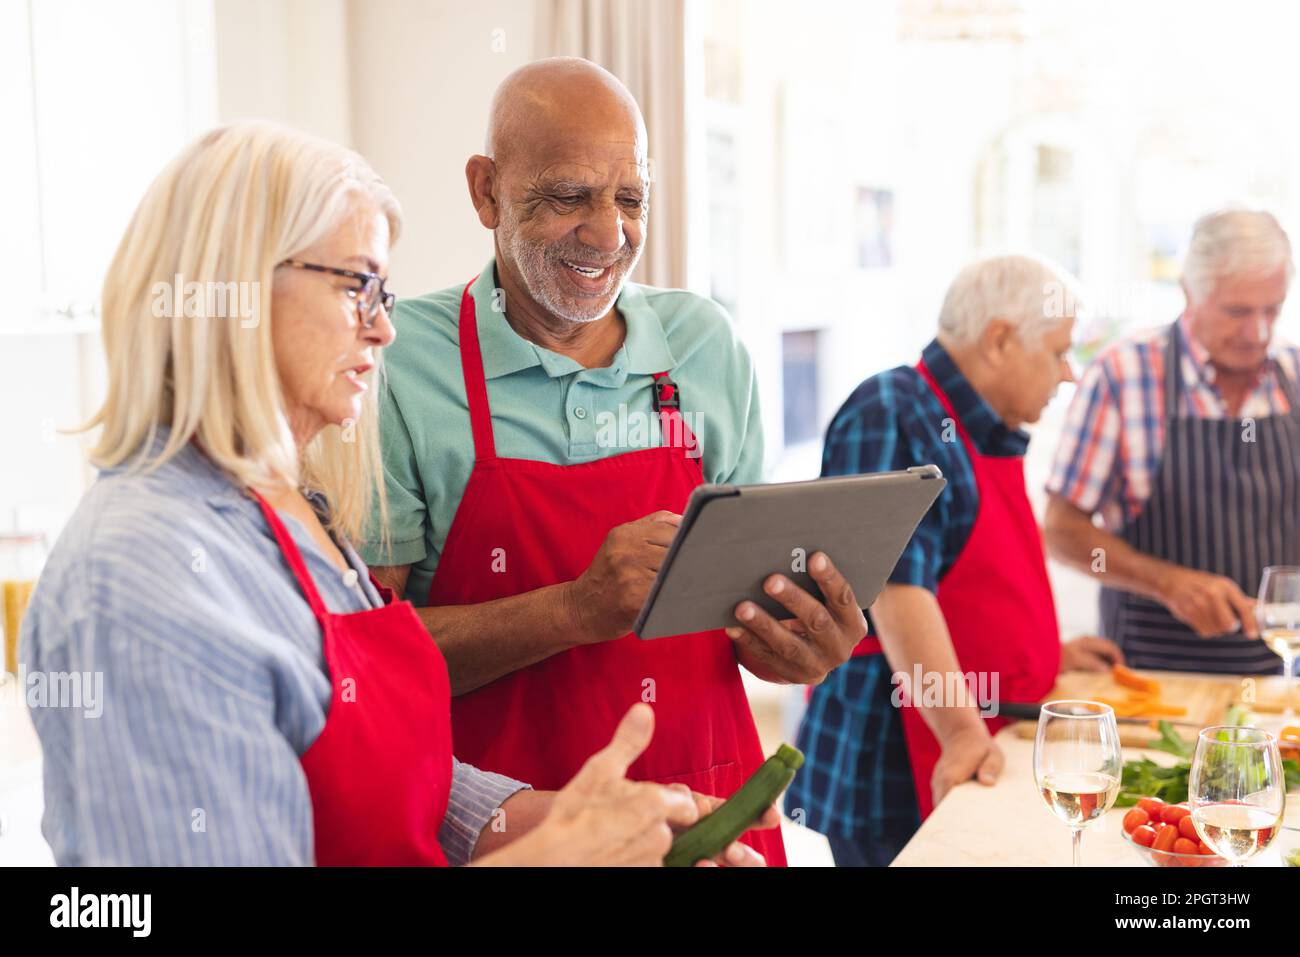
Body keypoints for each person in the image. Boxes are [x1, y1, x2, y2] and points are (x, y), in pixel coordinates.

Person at [20, 120, 775, 866]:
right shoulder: (139, 572)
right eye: (358, 286)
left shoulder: (293, 517)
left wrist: (595, 820)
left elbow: (393, 771)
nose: (384, 331)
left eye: (385, 291)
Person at [362, 57, 868, 869]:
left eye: (630, 198)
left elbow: (743, 625)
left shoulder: (706, 346)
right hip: (512, 837)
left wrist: (798, 643)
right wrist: (574, 609)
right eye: (569, 196)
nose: (608, 234)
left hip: (711, 820)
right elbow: (366, 674)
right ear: (486, 190)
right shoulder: (399, 364)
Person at [787, 254, 1124, 866]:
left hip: (979, 725)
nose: (1069, 374)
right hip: (895, 748)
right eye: (1057, 352)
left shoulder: (982, 428)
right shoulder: (892, 408)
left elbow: (973, 583)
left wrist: (1042, 653)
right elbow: (896, 589)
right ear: (999, 340)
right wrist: (962, 733)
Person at [1045, 208, 1298, 674]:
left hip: (1282, 682)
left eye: (1272, 309)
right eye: (1238, 311)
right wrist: (1166, 583)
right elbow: (1062, 532)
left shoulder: (1293, 373)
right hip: (1155, 674)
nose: (1258, 332)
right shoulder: (1123, 376)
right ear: (1189, 293)